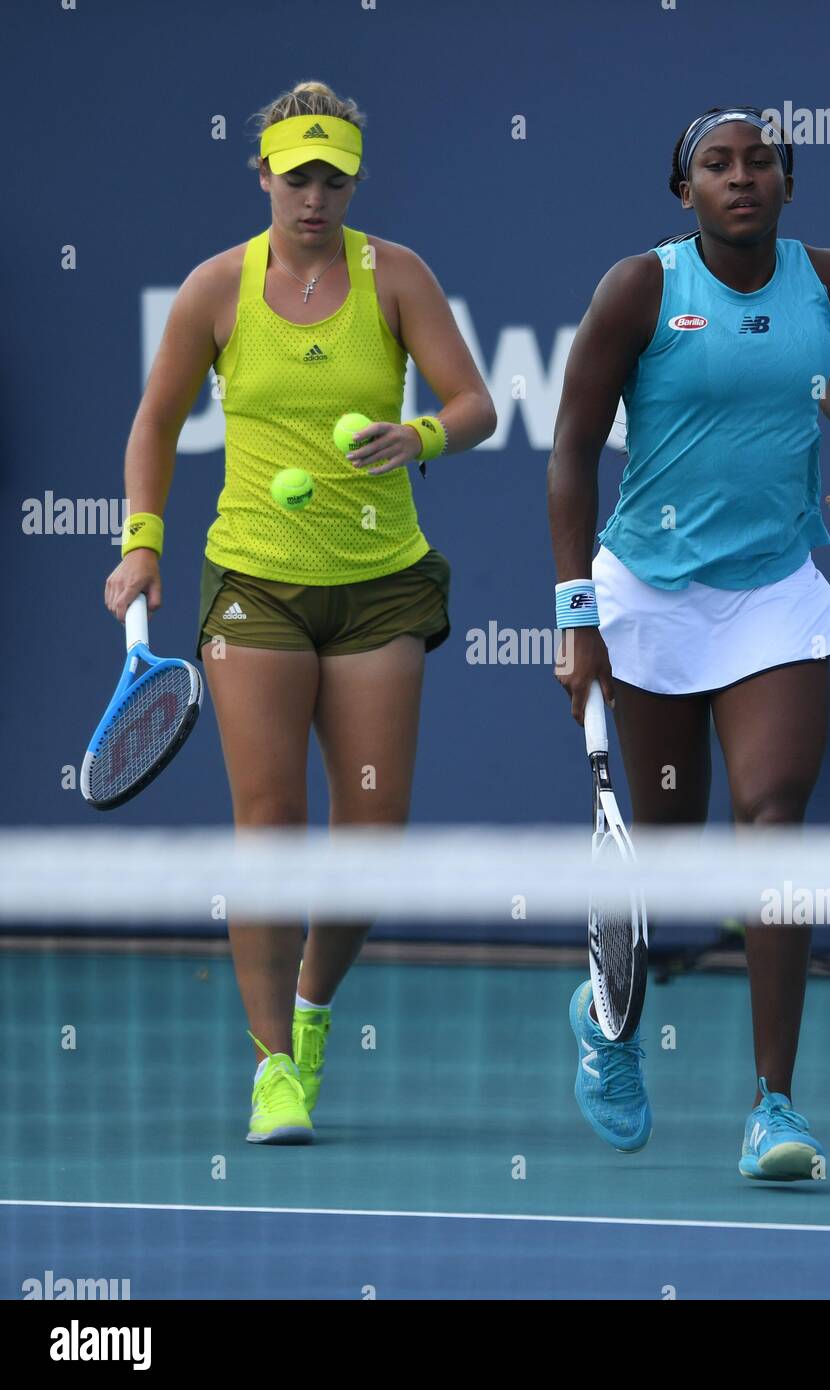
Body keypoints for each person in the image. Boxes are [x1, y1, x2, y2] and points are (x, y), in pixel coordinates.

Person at [104, 80, 496, 1144]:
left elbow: (475, 405)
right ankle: (274, 1063)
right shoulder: (215, 289)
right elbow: (153, 424)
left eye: (332, 177)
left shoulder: (396, 275)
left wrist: (416, 439)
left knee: (369, 836)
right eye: (295, 174)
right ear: (263, 173)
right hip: (255, 586)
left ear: (352, 179)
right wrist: (142, 544)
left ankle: (315, 1007)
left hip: (380, 587)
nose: (312, 196)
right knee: (268, 830)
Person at [548, 106, 830, 1180]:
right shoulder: (637, 289)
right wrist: (576, 621)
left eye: (760, 163)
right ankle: (605, 1018)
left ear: (786, 182)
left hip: (773, 590)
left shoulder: (824, 277)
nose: (742, 177)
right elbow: (567, 457)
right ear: (682, 191)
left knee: (774, 828)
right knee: (672, 851)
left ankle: (772, 1106)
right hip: (646, 590)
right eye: (716, 165)